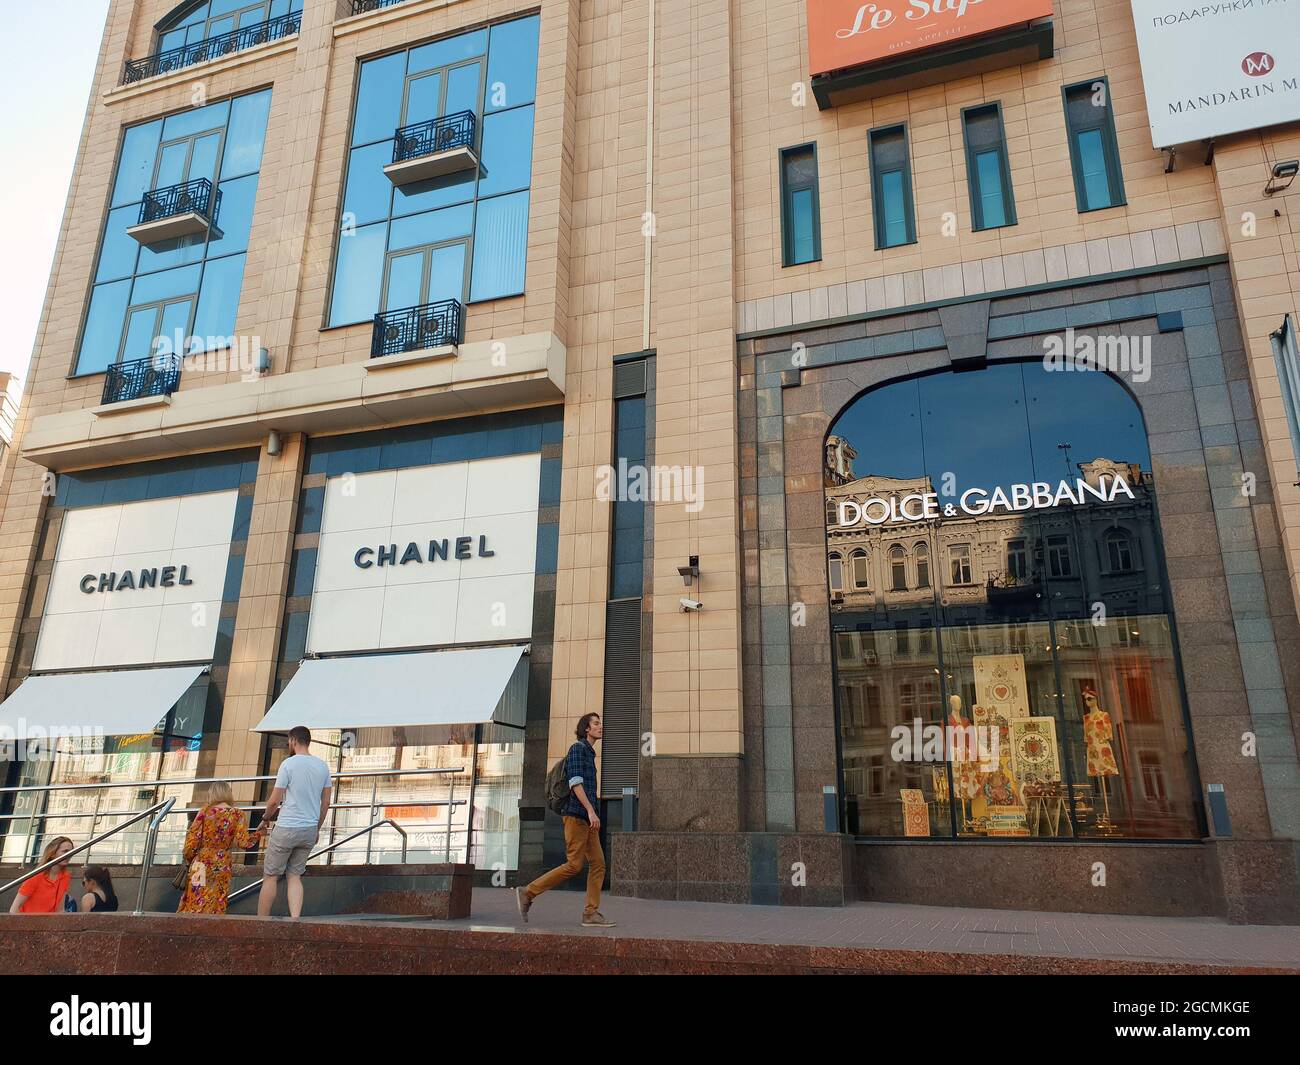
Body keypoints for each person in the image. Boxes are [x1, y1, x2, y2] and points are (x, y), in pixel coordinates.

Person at [516, 713, 615, 927]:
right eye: (596, 723)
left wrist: (591, 814)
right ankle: (528, 892)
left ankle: (590, 913)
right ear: (586, 729)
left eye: (600, 723)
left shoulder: (589, 753)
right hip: (576, 816)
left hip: (587, 820)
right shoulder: (578, 749)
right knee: (574, 865)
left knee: (598, 864)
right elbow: (575, 783)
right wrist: (590, 810)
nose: (600, 726)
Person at [257, 725, 332, 919]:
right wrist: (317, 828)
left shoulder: (288, 765)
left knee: (271, 876)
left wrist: (265, 819)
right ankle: (295, 920)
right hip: (308, 828)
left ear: (293, 740)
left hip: (287, 827)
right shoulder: (322, 766)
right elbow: (326, 802)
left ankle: (260, 922)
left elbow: (274, 800)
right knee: (295, 876)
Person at [177, 781, 266, 916]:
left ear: (212, 793)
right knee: (218, 900)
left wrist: (189, 858)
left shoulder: (205, 812)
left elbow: (192, 841)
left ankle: (193, 930)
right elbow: (244, 843)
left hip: (201, 863)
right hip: (223, 863)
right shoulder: (237, 814)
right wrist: (260, 833)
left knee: (196, 898)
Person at [10, 836, 74, 914]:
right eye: (65, 851)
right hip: (29, 922)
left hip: (49, 923)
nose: (69, 855)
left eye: (71, 852)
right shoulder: (35, 877)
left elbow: (60, 909)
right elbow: (14, 908)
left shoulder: (65, 876)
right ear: (53, 853)